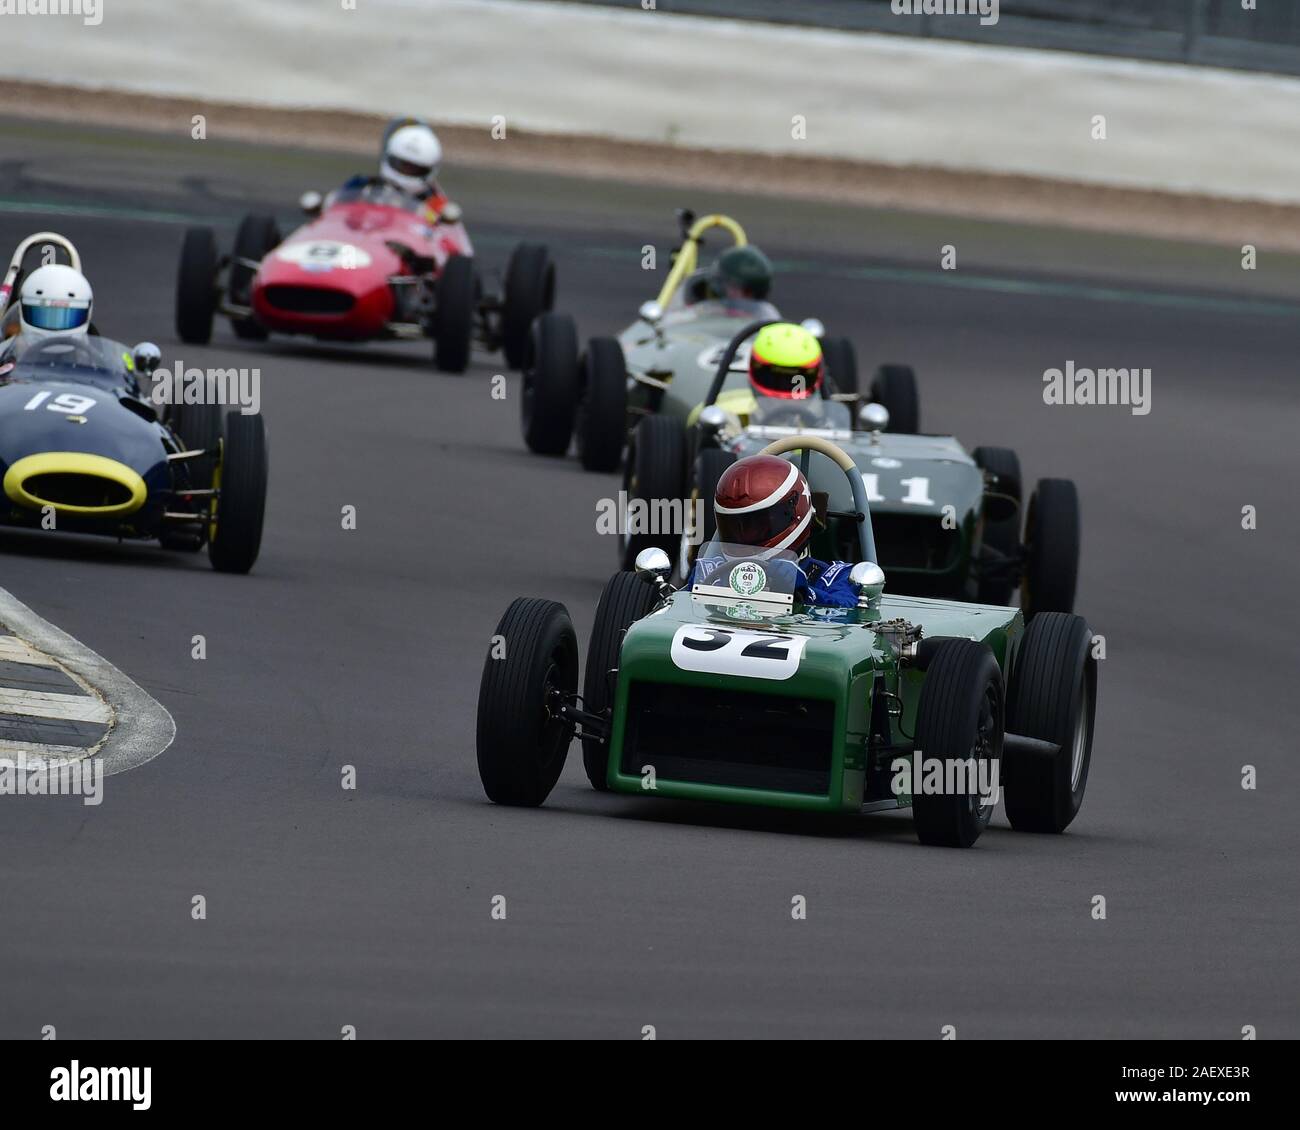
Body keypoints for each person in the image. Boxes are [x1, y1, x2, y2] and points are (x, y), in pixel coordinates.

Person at [688, 454, 859, 609]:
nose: (743, 534)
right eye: (734, 525)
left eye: (755, 525)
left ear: (793, 513)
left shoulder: (832, 577)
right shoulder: (710, 571)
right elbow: (679, 610)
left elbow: (851, 612)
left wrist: (804, 592)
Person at [0, 263, 94, 365]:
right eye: (42, 316)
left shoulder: (94, 358)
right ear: (22, 311)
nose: (53, 331)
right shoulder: (9, 351)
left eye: (64, 318)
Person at [748, 321, 822, 400]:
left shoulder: (828, 406)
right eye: (771, 379)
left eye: (796, 382)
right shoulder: (736, 404)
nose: (782, 398)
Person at [686, 244, 774, 306]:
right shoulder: (698, 311)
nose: (742, 296)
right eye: (734, 287)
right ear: (720, 285)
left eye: (748, 292)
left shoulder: (764, 321)